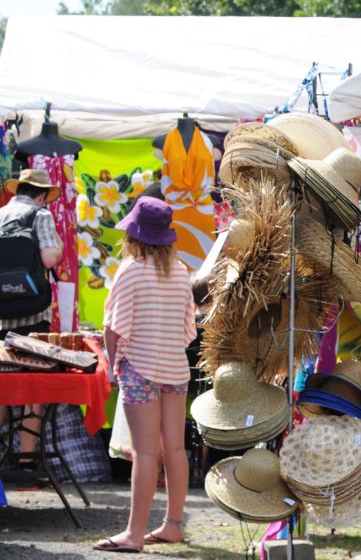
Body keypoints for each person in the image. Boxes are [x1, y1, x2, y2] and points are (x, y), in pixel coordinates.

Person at [94, 196, 196, 553]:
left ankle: (134, 534)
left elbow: (113, 328)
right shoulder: (182, 271)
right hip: (175, 369)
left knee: (145, 453)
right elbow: (188, 331)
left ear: (135, 235)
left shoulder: (131, 269)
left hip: (139, 368)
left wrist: (112, 362)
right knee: (175, 450)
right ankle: (173, 525)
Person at [0, 169, 64, 468]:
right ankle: (26, 459)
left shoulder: (1, 214)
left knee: (2, 382)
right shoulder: (41, 216)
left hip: (2, 315)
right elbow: (50, 258)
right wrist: (59, 249)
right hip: (33, 313)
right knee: (33, 385)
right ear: (40, 195)